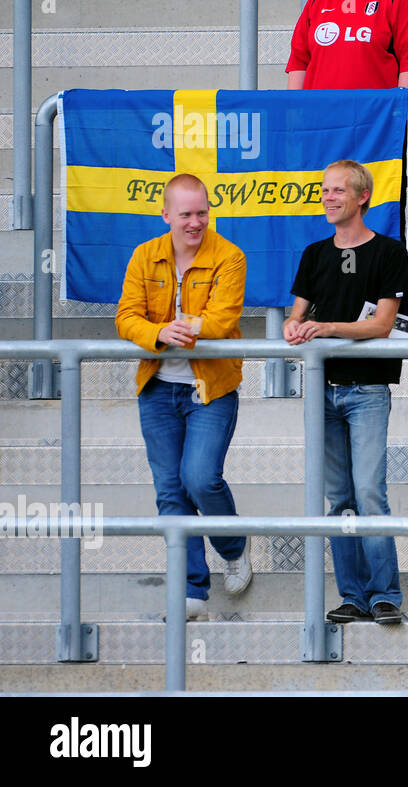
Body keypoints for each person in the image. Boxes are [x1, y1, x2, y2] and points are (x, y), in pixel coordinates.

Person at [115, 173, 252, 621]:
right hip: (157, 390)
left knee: (200, 479)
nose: (196, 222)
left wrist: (185, 328)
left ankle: (232, 547)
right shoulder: (144, 255)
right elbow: (126, 318)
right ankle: (192, 591)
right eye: (187, 214)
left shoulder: (229, 256)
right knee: (170, 491)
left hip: (209, 388)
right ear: (167, 215)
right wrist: (158, 332)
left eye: (202, 212)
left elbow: (222, 317)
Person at [284, 160, 408, 625]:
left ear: (363, 198)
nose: (329, 197)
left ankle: (385, 595)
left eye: (338, 190)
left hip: (367, 388)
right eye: (324, 189)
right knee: (338, 497)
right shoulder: (314, 253)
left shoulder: (389, 252)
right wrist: (294, 328)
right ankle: (353, 596)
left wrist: (326, 329)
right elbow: (294, 317)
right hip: (322, 391)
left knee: (369, 492)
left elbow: (382, 325)